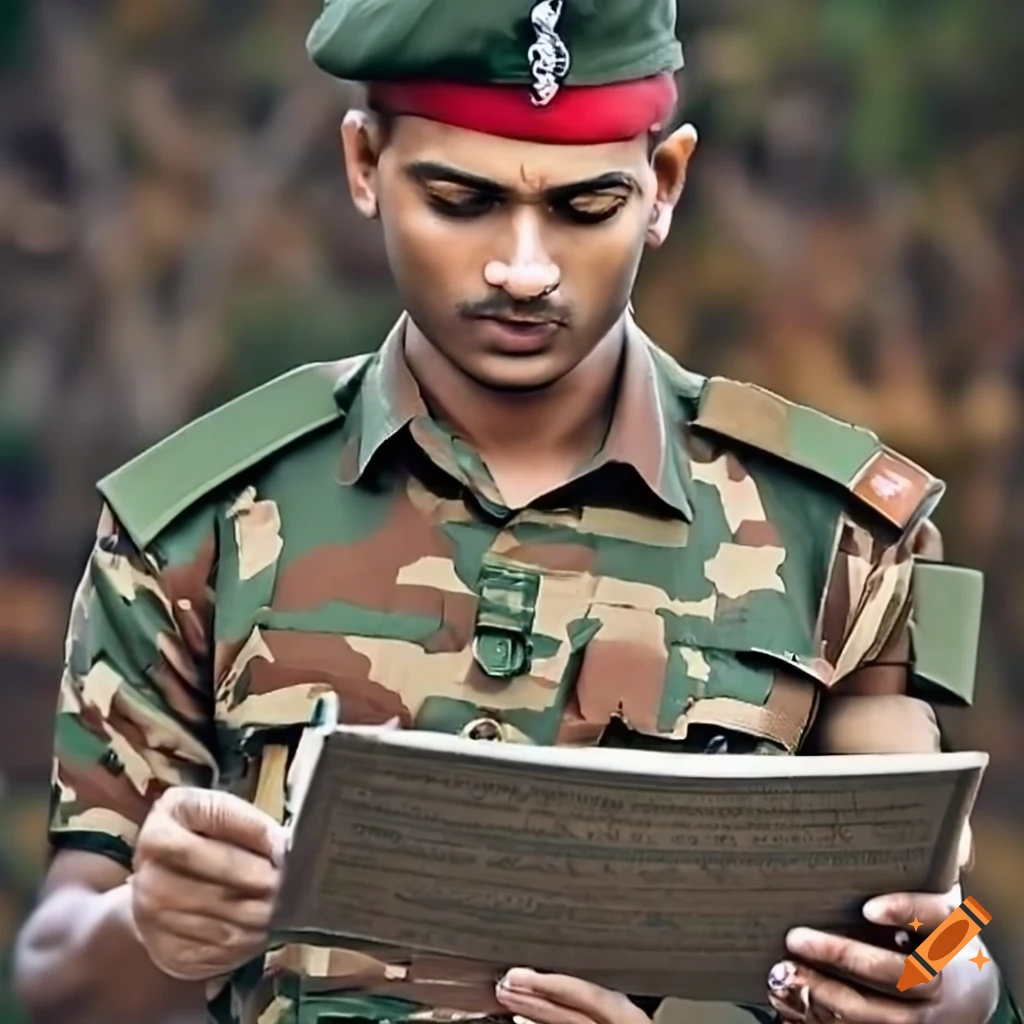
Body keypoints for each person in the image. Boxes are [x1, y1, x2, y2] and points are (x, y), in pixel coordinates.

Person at [12, 1, 1023, 1022]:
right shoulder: (201, 523)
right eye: (460, 199)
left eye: (587, 207)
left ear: (664, 185)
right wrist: (150, 921)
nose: (524, 270)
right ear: (364, 164)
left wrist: (950, 992)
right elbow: (54, 976)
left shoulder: (838, 534)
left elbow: (934, 936)